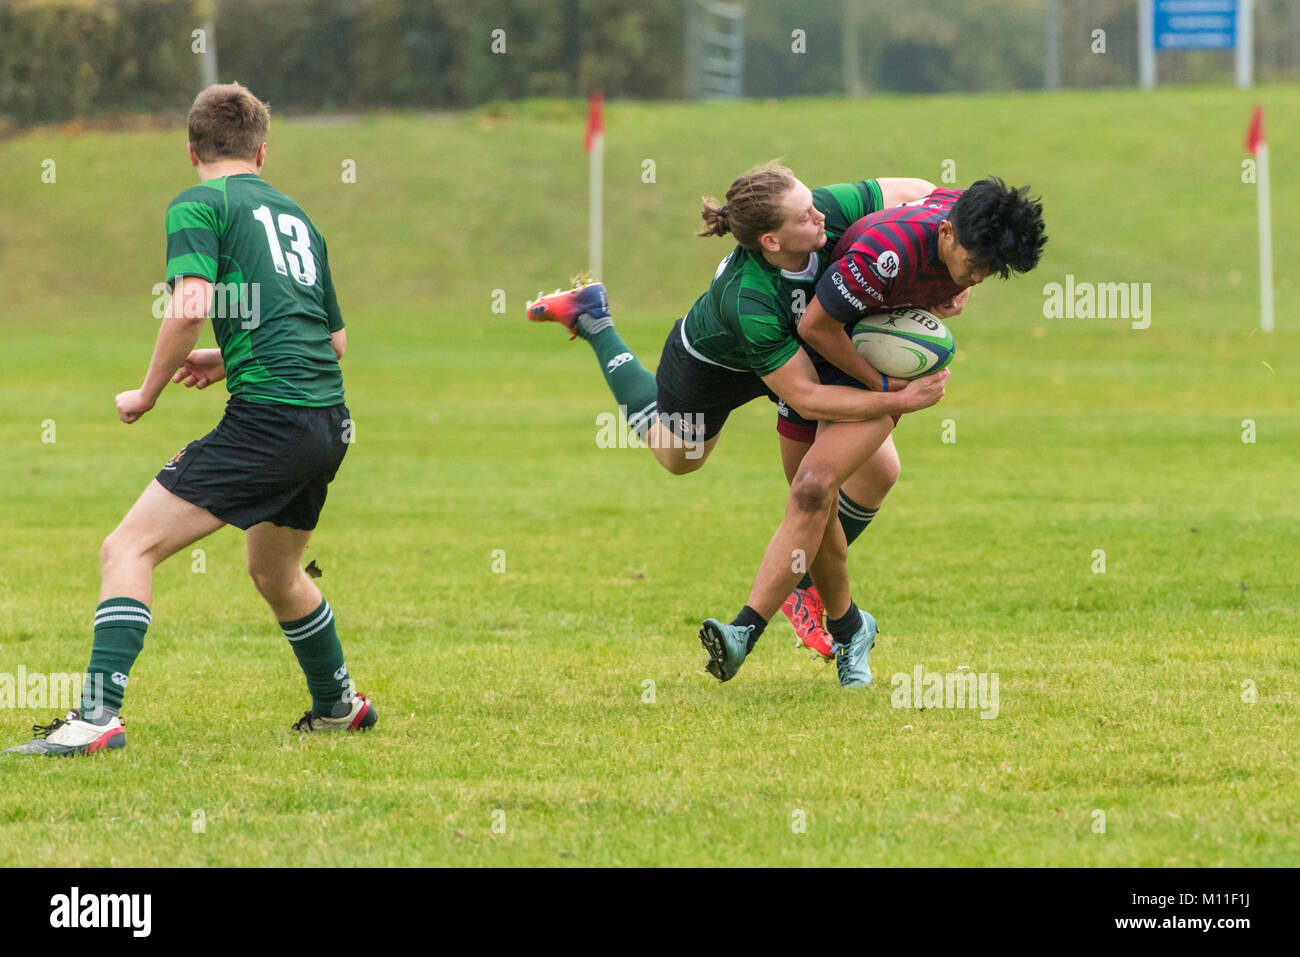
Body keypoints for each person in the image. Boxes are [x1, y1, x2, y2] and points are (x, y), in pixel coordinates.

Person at [5, 83, 375, 757]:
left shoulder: (200, 203)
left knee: (127, 548)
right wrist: (224, 356)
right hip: (326, 421)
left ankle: (96, 718)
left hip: (270, 418)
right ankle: (339, 705)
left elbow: (189, 301)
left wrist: (148, 391)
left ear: (190, 149)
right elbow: (333, 341)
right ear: (262, 152)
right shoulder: (298, 218)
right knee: (274, 570)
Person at [526, 163, 941, 654]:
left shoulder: (824, 211)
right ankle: (594, 319)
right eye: (805, 216)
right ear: (771, 241)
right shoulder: (749, 296)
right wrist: (896, 398)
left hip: (799, 355)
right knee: (678, 458)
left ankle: (803, 585)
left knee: (877, 473)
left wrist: (946, 278)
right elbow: (805, 395)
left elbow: (925, 195)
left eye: (813, 204)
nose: (820, 217)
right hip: (715, 364)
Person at [700, 177, 1048, 688]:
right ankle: (851, 628)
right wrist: (884, 388)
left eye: (990, 271)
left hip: (875, 364)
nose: (977, 277)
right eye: (974, 264)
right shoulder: (886, 254)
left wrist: (949, 295)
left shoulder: (963, 218)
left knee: (813, 487)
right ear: (947, 234)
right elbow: (816, 327)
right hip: (834, 362)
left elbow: (937, 189)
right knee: (814, 508)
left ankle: (742, 633)